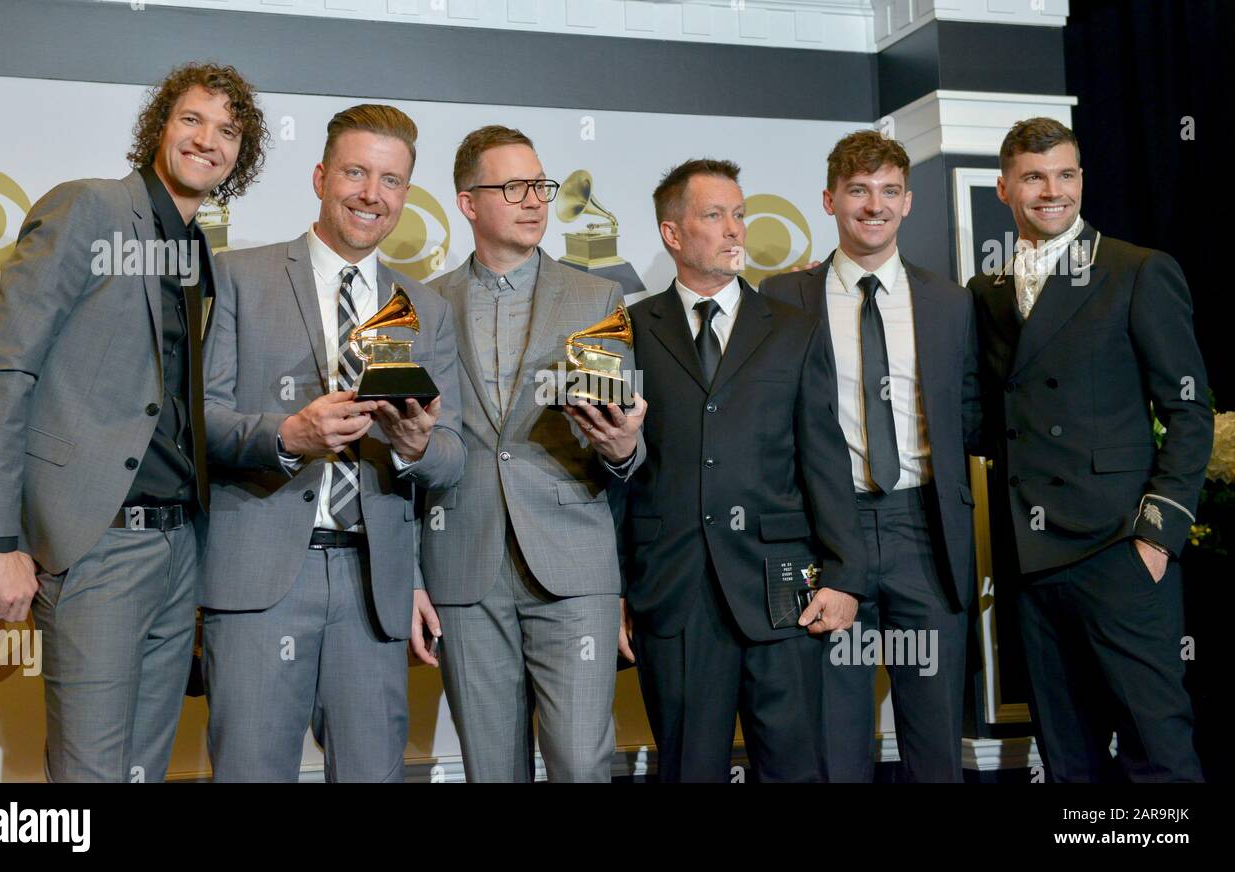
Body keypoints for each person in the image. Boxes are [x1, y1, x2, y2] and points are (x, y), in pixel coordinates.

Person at [0, 62, 268, 781]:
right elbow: (5, 372)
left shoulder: (197, 251)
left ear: (239, 158)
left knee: (141, 770)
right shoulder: (87, 211)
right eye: (192, 119)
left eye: (228, 131)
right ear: (160, 125)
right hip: (97, 545)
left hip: (180, 545)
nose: (207, 140)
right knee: (90, 773)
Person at [199, 104, 465, 782]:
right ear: (320, 176)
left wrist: (412, 445)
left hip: (372, 586)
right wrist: (288, 436)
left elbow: (452, 455)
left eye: (392, 180)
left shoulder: (425, 308)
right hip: (260, 580)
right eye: (355, 172)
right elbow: (198, 422)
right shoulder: (237, 276)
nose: (372, 194)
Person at [968, 117, 1211, 782]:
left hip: (1119, 551)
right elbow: (980, 419)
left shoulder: (1136, 270)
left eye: (1067, 174)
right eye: (1035, 177)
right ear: (1004, 189)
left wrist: (1156, 539)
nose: (1054, 191)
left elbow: (1189, 409)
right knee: (1067, 758)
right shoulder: (984, 291)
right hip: (1032, 561)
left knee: (1156, 751)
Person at [618, 158, 866, 782]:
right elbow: (612, 472)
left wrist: (845, 575)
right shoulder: (629, 331)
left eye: (739, 214)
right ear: (673, 235)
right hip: (673, 592)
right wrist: (615, 588)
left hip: (782, 589)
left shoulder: (794, 329)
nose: (734, 230)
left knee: (794, 770)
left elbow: (825, 457)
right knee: (688, 771)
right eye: (714, 216)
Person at [420, 125, 646, 782]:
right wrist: (411, 575)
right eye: (514, 187)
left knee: (580, 763)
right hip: (464, 564)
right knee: (492, 768)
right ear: (468, 202)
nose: (534, 201)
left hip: (572, 566)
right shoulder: (427, 304)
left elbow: (621, 439)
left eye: (540, 186)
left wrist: (624, 446)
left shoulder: (596, 297)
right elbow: (406, 453)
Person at [760, 131, 980, 782]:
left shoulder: (949, 302)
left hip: (927, 535)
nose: (873, 205)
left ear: (908, 203)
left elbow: (969, 410)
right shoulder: (783, 297)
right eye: (858, 191)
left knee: (936, 741)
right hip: (828, 536)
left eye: (888, 191)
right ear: (830, 200)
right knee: (834, 742)